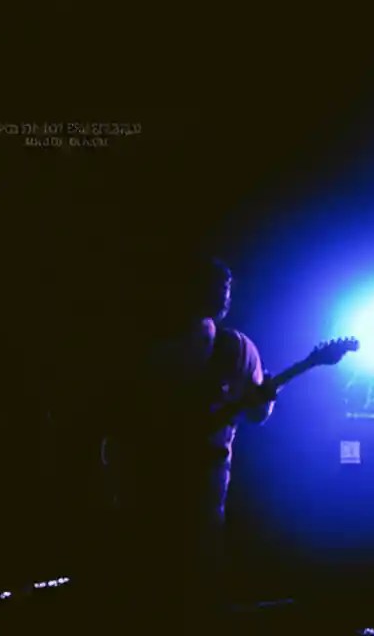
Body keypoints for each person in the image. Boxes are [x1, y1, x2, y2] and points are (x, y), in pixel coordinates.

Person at [101, 256, 275, 632]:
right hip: (195, 490)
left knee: (156, 586)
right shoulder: (237, 348)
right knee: (192, 585)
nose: (224, 294)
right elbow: (259, 414)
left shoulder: (144, 345)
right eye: (218, 287)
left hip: (152, 487)